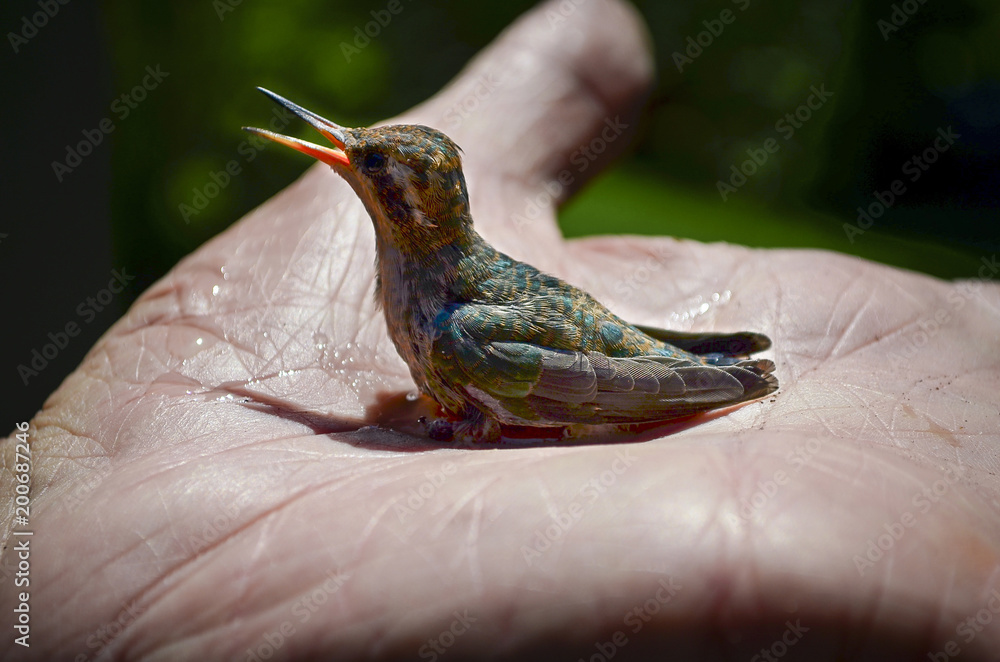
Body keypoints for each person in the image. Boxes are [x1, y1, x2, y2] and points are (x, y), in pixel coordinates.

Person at [4, 0, 999, 659]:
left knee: (528, 365)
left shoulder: (458, 326)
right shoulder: (432, 285)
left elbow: (558, 359)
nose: (355, 159)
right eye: (364, 155)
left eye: (375, 163)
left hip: (526, 359)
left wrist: (682, 376)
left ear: (411, 203)